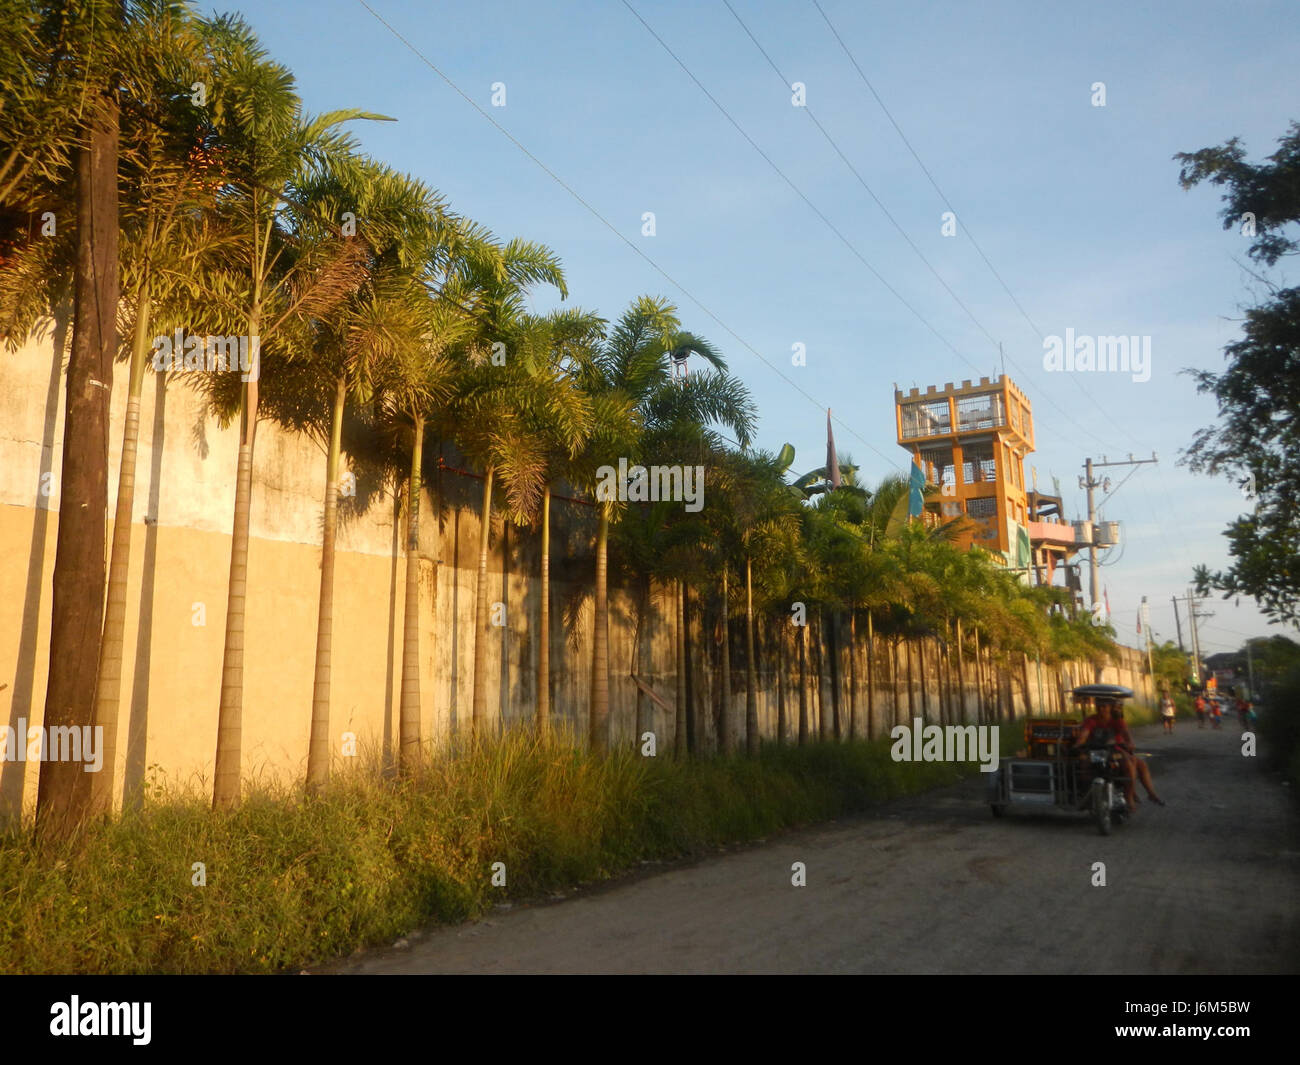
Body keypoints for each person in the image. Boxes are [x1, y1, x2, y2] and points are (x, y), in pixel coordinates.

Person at [1074, 698, 1164, 812]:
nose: (1101, 709)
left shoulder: (1117, 720)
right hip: (1096, 751)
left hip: (1115, 750)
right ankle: (1085, 794)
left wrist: (1129, 743)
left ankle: (1131, 796)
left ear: (1110, 707)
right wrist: (1078, 745)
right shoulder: (1091, 720)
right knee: (1083, 765)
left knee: (1133, 764)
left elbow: (1126, 735)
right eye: (1099, 706)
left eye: (1104, 706)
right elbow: (1083, 735)